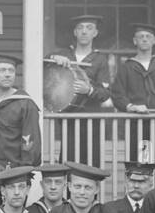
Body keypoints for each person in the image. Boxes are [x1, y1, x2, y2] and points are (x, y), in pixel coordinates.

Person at [48, 14, 114, 163]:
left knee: (91, 160)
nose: (84, 32)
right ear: (75, 32)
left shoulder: (100, 59)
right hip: (68, 117)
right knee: (68, 160)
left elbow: (105, 93)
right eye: (80, 28)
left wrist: (89, 90)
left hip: (91, 117)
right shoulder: (63, 53)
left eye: (89, 28)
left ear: (95, 33)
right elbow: (43, 70)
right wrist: (54, 58)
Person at [0, 53, 41, 166]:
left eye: (11, 71)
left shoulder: (25, 104)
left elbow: (31, 141)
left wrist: (24, 171)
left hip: (14, 172)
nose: (7, 75)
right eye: (1, 70)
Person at [110, 24, 155, 115]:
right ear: (135, 41)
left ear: (154, 40)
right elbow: (117, 95)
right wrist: (131, 107)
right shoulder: (126, 68)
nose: (144, 39)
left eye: (148, 36)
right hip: (133, 119)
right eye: (141, 37)